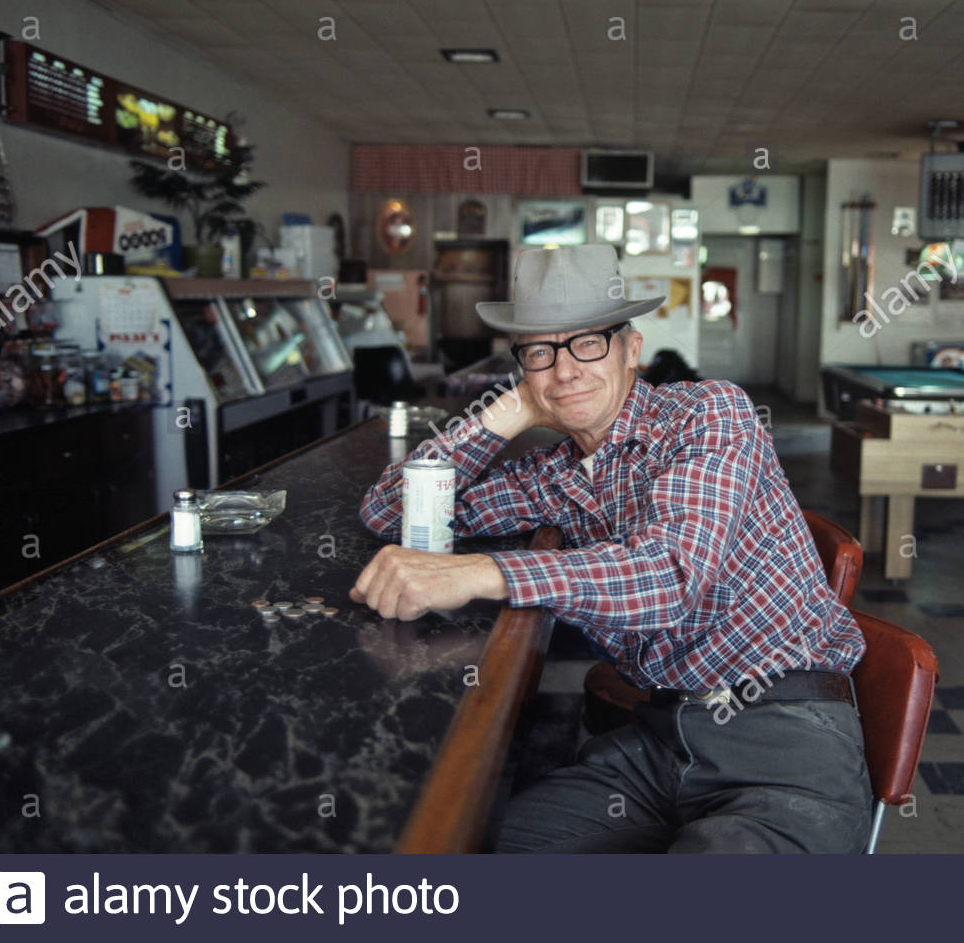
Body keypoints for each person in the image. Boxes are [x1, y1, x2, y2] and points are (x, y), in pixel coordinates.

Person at [353, 243, 871, 853]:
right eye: (541, 350)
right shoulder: (553, 474)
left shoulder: (711, 414)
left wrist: (481, 571)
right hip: (656, 742)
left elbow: (669, 577)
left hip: (783, 740)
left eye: (588, 342)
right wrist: (505, 415)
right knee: (468, 852)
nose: (566, 369)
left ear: (631, 350)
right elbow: (388, 510)